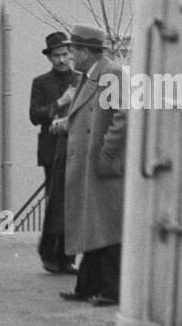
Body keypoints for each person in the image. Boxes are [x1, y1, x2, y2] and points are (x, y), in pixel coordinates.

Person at [51, 25, 126, 307]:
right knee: (94, 223)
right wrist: (64, 124)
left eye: (72, 50)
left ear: (86, 52)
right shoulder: (89, 75)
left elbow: (123, 116)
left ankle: (112, 289)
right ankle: (88, 285)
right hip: (90, 162)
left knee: (105, 226)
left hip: (101, 164)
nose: (69, 56)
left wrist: (107, 155)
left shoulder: (111, 73)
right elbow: (84, 113)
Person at [29, 31, 79, 274]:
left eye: (65, 54)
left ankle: (67, 257)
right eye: (57, 55)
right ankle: (50, 255)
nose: (62, 60)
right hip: (51, 150)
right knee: (54, 205)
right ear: (50, 58)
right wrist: (60, 102)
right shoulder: (41, 83)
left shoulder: (81, 79)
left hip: (75, 148)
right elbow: (34, 115)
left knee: (72, 204)